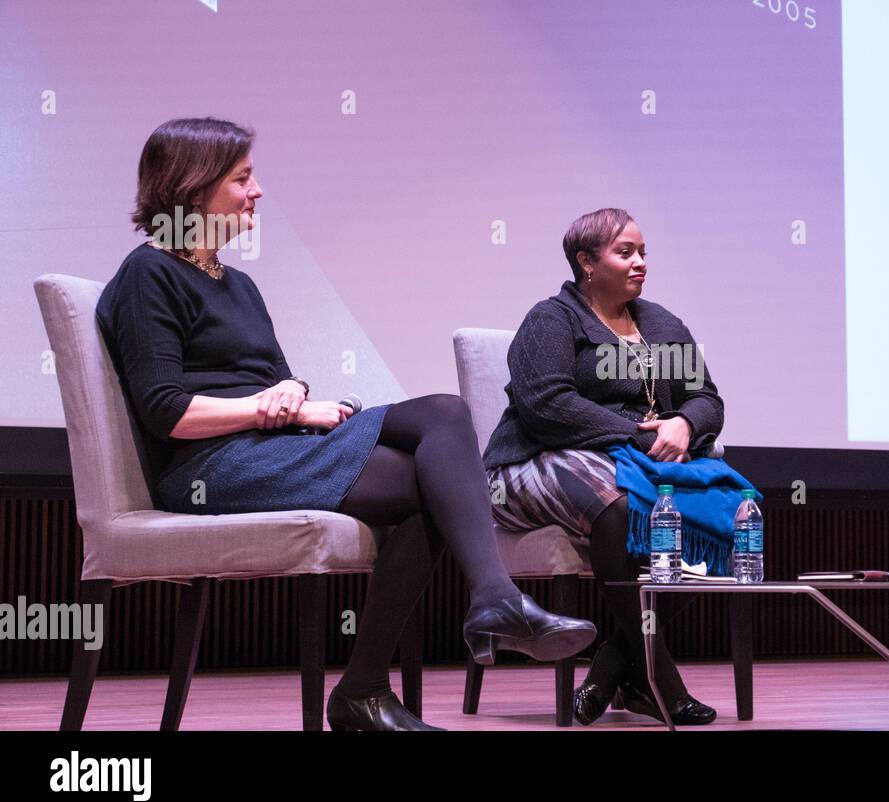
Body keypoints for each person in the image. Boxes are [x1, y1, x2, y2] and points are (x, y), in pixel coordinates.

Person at [96, 117, 595, 731]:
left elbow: (272, 375)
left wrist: (294, 394)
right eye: (243, 178)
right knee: (440, 441)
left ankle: (376, 682)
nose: (257, 192)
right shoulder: (149, 275)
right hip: (208, 467)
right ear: (195, 191)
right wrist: (267, 408)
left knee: (435, 457)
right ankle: (480, 610)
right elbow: (166, 412)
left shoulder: (239, 284)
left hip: (268, 448)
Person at [483, 208, 724, 725]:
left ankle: (617, 663)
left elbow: (708, 398)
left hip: (631, 461)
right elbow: (546, 404)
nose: (640, 263)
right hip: (536, 459)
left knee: (722, 517)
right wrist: (638, 433)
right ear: (586, 262)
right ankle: (661, 682)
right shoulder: (552, 319)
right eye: (626, 253)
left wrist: (683, 424)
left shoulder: (662, 324)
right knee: (621, 509)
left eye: (643, 253)